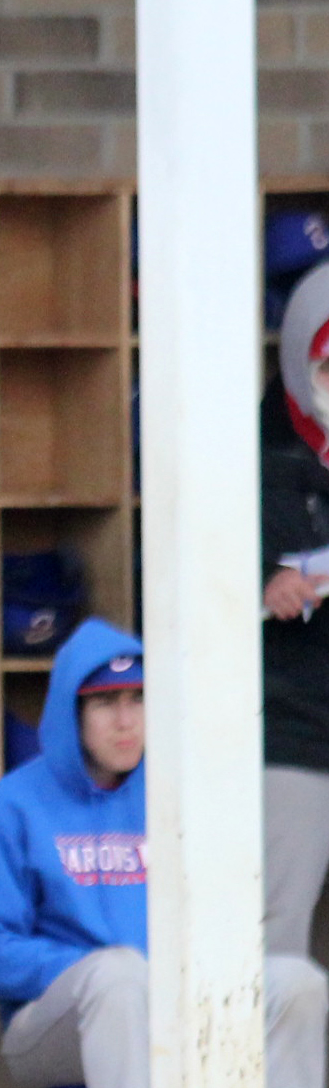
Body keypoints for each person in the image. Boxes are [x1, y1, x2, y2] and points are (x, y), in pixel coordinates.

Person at [0, 618, 329, 1088]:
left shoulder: (179, 794)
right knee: (118, 977)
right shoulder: (11, 803)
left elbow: (225, 918)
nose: (126, 722)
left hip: (174, 997)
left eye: (138, 699)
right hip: (53, 1020)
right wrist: (86, 971)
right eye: (106, 703)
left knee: (297, 983)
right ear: (73, 712)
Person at [262, 261, 329, 961]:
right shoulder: (248, 454)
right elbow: (175, 567)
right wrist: (261, 586)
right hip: (292, 734)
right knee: (278, 935)